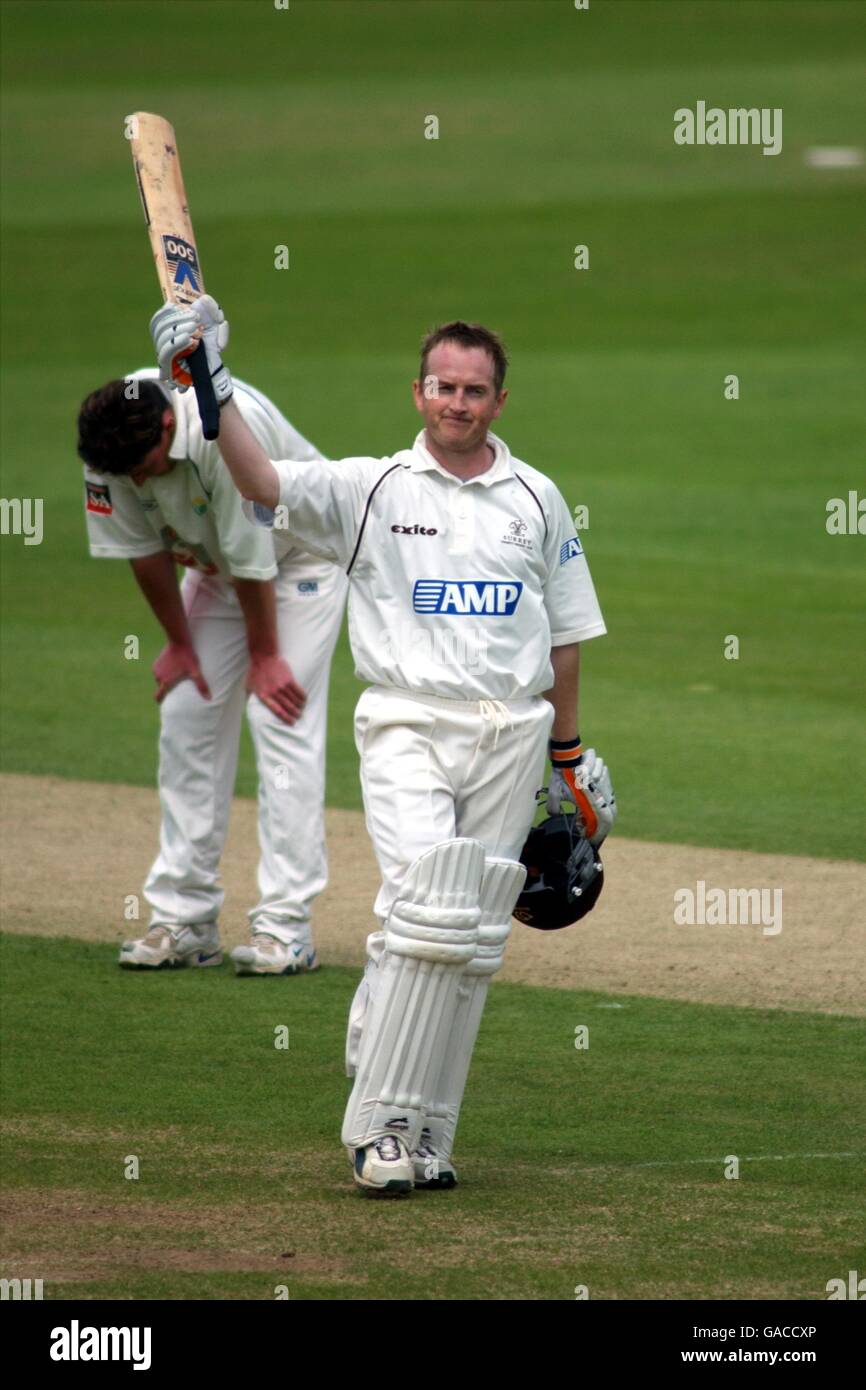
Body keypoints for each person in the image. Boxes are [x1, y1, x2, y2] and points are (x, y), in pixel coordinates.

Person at [148, 296, 616, 1195]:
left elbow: (565, 635)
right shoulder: (370, 488)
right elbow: (262, 483)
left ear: (499, 402)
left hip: (513, 732)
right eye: (444, 386)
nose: (458, 402)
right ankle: (380, 1132)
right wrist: (210, 382)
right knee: (426, 904)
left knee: (474, 935)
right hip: (408, 719)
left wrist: (567, 752)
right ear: (419, 391)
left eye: (475, 390)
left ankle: (430, 1130)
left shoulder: (538, 499)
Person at [76, 368, 347, 975]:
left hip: (302, 557)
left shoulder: (218, 429)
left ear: (169, 426)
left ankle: (286, 927)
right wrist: (179, 642)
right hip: (219, 567)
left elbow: (256, 559)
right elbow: (142, 549)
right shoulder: (110, 447)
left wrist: (267, 658)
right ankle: (187, 918)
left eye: (145, 467)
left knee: (280, 720)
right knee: (186, 713)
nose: (138, 481)